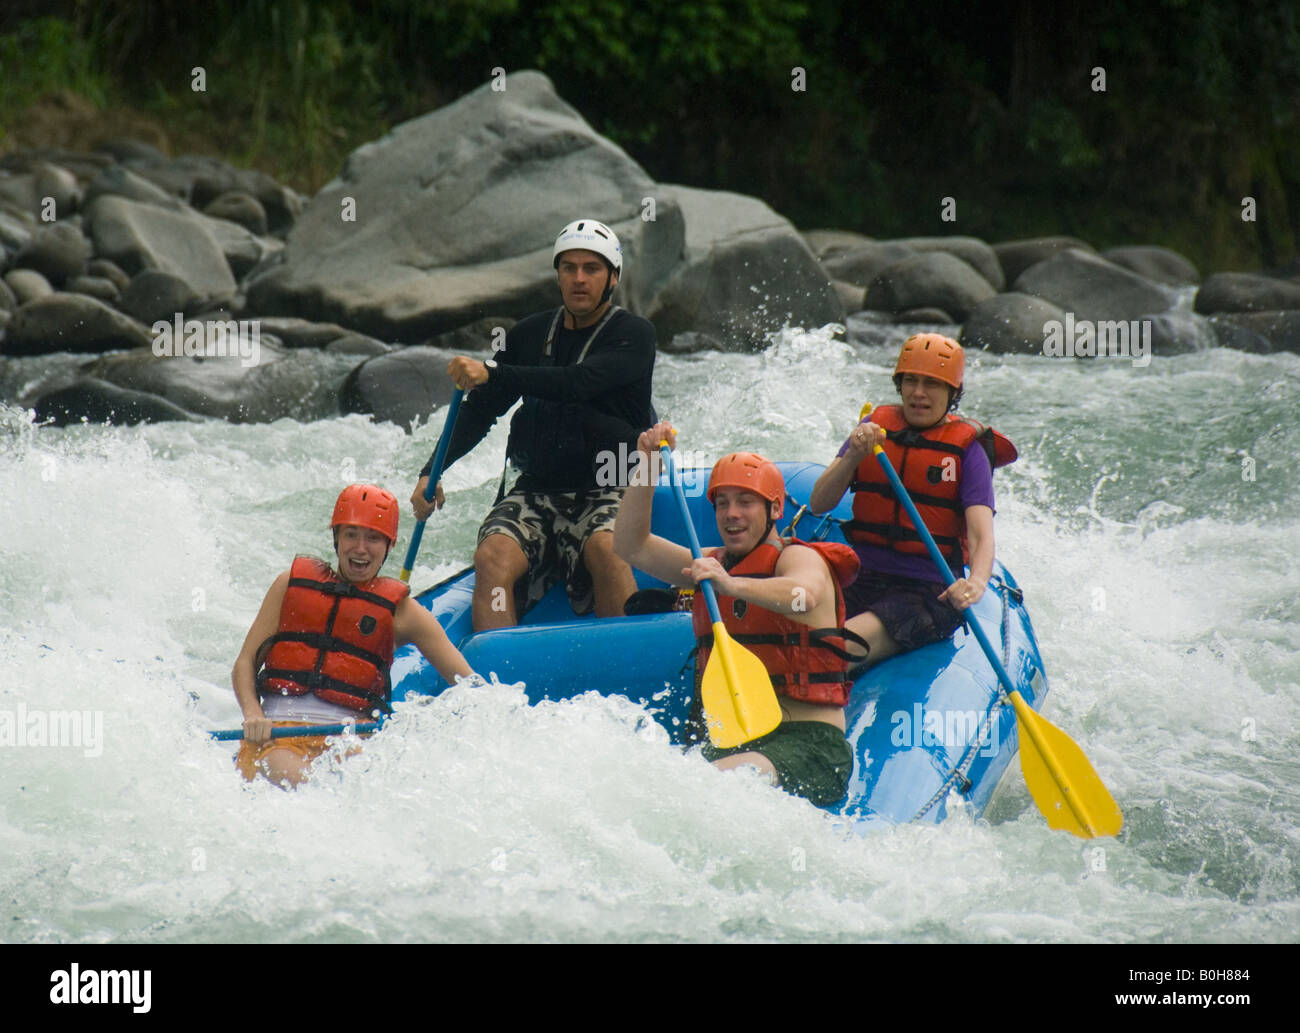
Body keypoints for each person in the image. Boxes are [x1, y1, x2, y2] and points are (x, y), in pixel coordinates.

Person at [412, 218, 657, 631]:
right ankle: (495, 679)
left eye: (592, 269)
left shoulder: (634, 335)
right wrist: (431, 471)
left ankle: (622, 657)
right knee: (491, 555)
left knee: (606, 547)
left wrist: (494, 371)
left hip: (609, 485)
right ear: (558, 274)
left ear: (612, 277)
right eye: (569, 268)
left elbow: (578, 383)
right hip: (538, 487)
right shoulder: (528, 334)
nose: (579, 279)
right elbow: (481, 410)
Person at [614, 424, 865, 807]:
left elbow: (804, 597)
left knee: (698, 790)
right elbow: (632, 545)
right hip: (732, 740)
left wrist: (731, 585)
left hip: (809, 746)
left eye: (746, 502)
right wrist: (647, 462)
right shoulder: (711, 564)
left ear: (775, 509)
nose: (732, 514)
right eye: (723, 503)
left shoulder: (798, 557)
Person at [232, 484, 474, 787]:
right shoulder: (288, 585)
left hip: (349, 744)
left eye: (373, 538)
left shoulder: (404, 613)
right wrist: (253, 714)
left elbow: (468, 684)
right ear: (336, 538)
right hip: (279, 736)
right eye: (351, 535)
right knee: (300, 782)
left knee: (360, 783)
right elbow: (244, 664)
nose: (361, 548)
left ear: (389, 545)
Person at [809, 333, 1016, 667]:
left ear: (952, 393)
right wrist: (851, 457)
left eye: (932, 384)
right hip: (859, 577)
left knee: (829, 651)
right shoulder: (873, 430)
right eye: (911, 381)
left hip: (926, 592)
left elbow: (980, 534)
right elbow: (819, 503)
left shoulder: (968, 452)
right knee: (787, 635)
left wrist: (975, 583)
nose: (919, 393)